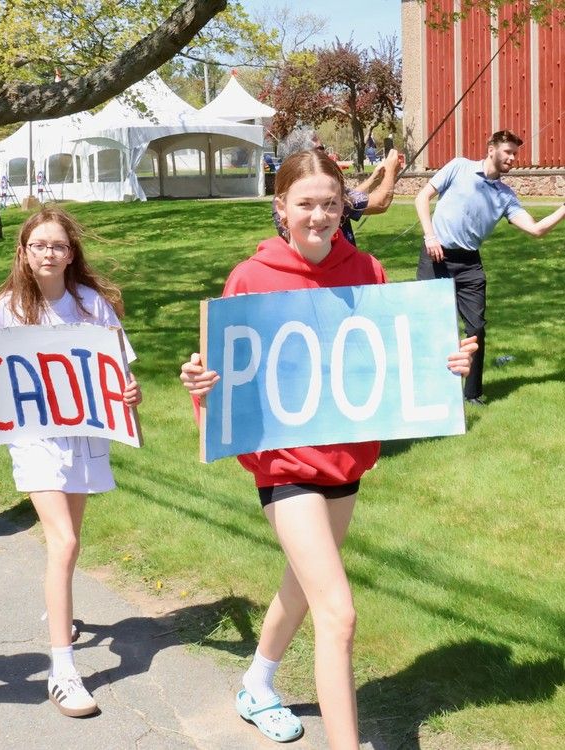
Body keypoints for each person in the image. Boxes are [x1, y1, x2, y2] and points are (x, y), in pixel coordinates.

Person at [180, 150, 476, 749]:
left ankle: (256, 684)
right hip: (284, 466)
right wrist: (202, 384)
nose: (318, 216)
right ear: (281, 207)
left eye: (330, 204)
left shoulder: (367, 270)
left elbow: (393, 358)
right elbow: (226, 385)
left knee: (303, 582)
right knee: (337, 613)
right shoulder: (250, 278)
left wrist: (443, 363)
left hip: (345, 460)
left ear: (346, 207)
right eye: (306, 204)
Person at [0, 206, 141, 717]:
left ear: (71, 254)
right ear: (23, 252)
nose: (48, 253)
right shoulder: (9, 310)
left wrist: (130, 393)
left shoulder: (91, 305)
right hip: (34, 441)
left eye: (58, 246)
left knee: (71, 543)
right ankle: (62, 670)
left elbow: (119, 372)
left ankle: (62, 614)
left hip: (84, 436)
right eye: (39, 245)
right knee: (62, 542)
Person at [415, 129, 565, 406]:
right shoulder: (459, 166)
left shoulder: (505, 195)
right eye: (508, 152)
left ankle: (472, 394)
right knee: (429, 322)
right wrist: (429, 236)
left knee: (476, 328)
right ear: (491, 149)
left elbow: (536, 230)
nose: (512, 158)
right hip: (436, 255)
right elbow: (422, 197)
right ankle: (426, 388)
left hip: (470, 264)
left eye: (515, 154)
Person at [273, 131, 399, 247]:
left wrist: (374, 179)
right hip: (338, 264)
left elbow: (348, 198)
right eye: (320, 149)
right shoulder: (319, 190)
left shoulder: (289, 194)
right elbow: (380, 203)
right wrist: (391, 172)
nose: (326, 155)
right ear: (304, 156)